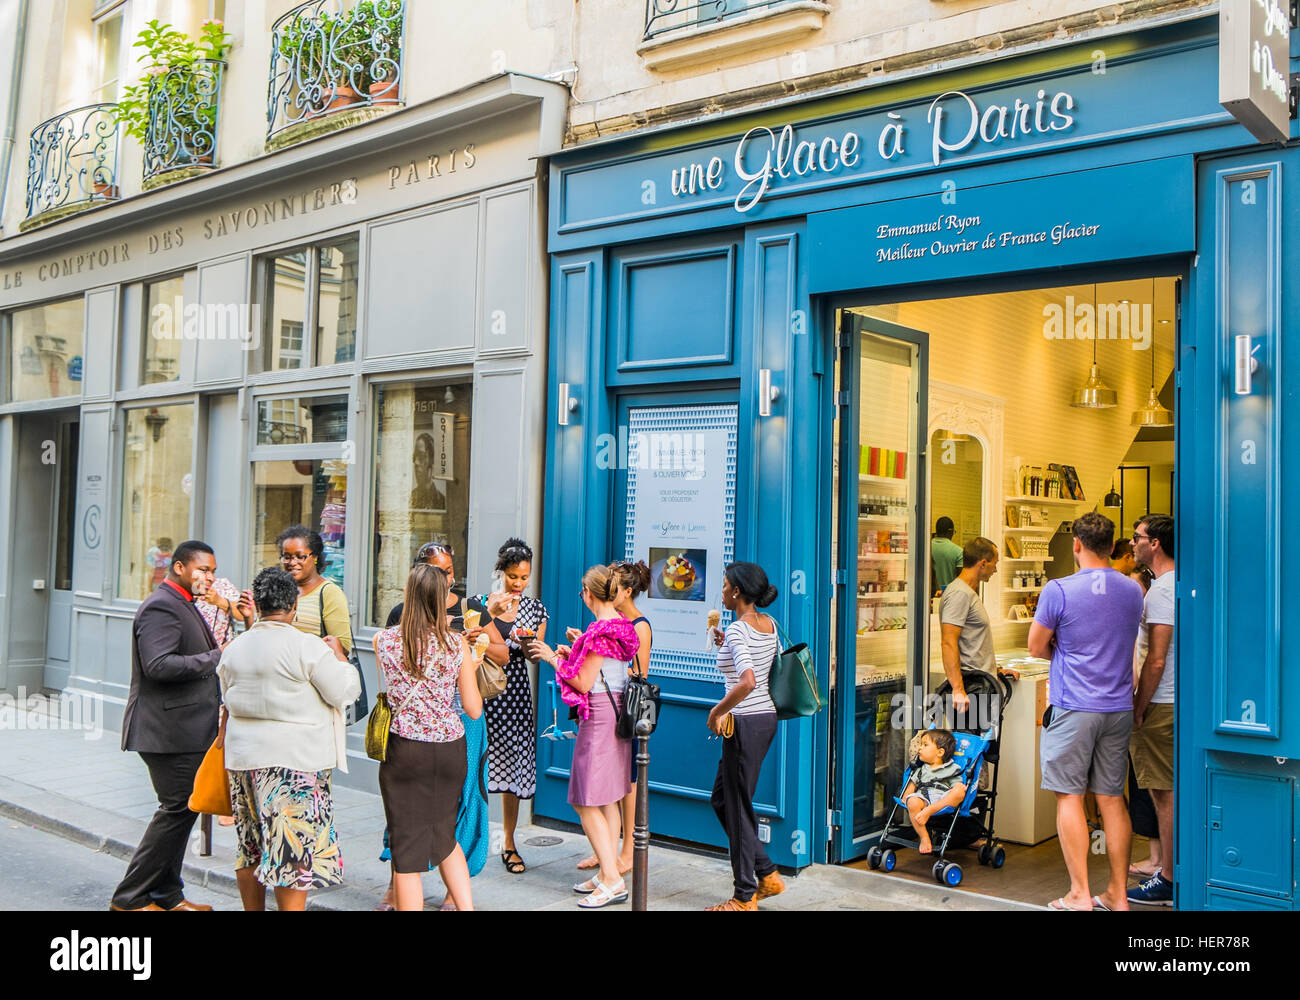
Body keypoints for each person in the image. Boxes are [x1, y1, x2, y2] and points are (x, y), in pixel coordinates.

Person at [218, 568, 360, 912]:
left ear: (260, 604)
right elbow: (343, 691)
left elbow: (226, 696)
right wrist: (343, 662)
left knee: (250, 845)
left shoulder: (235, 648)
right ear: (294, 605)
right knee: (290, 855)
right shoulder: (306, 647)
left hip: (243, 762)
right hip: (292, 765)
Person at [1028, 512, 1144, 912]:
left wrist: (1063, 650)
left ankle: (1079, 894)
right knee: (1112, 799)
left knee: (1070, 797)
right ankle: (1118, 893)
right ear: (1113, 547)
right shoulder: (1133, 591)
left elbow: (1035, 646)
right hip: (1118, 705)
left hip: (1075, 705)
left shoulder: (1058, 590)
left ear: (1076, 545)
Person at [110, 540, 225, 911]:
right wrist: (216, 657)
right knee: (175, 810)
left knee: (182, 810)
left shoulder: (183, 604)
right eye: (203, 570)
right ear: (179, 567)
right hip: (168, 730)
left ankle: (167, 895)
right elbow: (158, 665)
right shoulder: (162, 606)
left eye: (212, 570)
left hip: (183, 728)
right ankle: (129, 898)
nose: (209, 577)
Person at [376, 541, 490, 911]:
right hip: (448, 749)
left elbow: (389, 694)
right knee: (445, 835)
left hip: (404, 749)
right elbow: (473, 709)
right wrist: (470, 667)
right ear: (441, 598)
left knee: (406, 848)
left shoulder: (383, 641)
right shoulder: (455, 645)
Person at [529, 564, 639, 908]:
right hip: (619, 713)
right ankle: (608, 871)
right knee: (606, 798)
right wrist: (573, 652)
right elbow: (606, 669)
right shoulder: (621, 626)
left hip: (600, 718)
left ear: (590, 594)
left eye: (582, 591)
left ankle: (611, 879)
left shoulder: (600, 631)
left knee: (584, 798)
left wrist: (550, 656)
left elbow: (583, 682)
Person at [704, 561, 784, 911]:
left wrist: (717, 710)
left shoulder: (739, 629)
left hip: (744, 722)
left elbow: (748, 680)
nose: (721, 591)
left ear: (736, 592)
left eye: (724, 586)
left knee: (737, 807)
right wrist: (727, 644)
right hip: (765, 719)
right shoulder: (768, 624)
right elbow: (768, 667)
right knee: (724, 800)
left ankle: (743, 896)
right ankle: (766, 873)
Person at [474, 538, 548, 875]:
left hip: (515, 692)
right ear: (500, 571)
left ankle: (509, 841)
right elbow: (468, 641)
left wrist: (531, 642)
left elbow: (535, 659)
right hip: (480, 689)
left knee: (512, 766)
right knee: (475, 763)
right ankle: (469, 837)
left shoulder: (535, 609)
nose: (518, 584)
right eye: (513, 577)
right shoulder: (479, 604)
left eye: (524, 578)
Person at [576, 559, 653, 877]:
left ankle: (626, 853)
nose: (609, 591)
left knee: (628, 783)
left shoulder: (639, 626)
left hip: (628, 709)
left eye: (614, 586)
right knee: (610, 785)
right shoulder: (615, 622)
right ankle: (605, 850)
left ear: (628, 591)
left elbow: (639, 675)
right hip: (611, 704)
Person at [1127, 513, 1176, 906]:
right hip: (1173, 700)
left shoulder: (1161, 591)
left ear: (1155, 543)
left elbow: (1155, 660)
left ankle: (1169, 879)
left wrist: (1139, 707)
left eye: (1137, 537)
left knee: (1164, 794)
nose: (1132, 543)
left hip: (1160, 703)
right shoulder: (1173, 585)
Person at [937, 536, 1016, 717]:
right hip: (971, 689)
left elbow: (972, 641)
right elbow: (948, 642)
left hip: (981, 684)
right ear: (982, 563)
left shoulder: (968, 593)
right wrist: (957, 689)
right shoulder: (959, 594)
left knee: (987, 744)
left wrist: (995, 669)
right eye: (994, 564)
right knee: (972, 744)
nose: (995, 570)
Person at [1124, 565, 1161, 879]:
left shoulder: (1147, 622)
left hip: (1145, 706)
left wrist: (1137, 706)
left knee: (1148, 783)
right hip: (1141, 704)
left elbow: (1146, 663)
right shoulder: (1142, 620)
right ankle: (1158, 858)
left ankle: (1157, 860)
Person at [902, 729, 968, 854]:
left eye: (925, 745)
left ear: (940, 752)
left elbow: (956, 789)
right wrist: (907, 797)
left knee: (959, 790)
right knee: (912, 801)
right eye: (920, 744)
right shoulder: (920, 769)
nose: (920, 748)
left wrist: (957, 790)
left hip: (943, 799)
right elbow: (911, 785)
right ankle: (924, 837)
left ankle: (930, 811)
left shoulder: (953, 768)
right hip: (924, 798)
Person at [410, 432, 448, 512]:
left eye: (421, 456)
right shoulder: (410, 498)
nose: (416, 462)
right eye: (414, 457)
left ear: (432, 461)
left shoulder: (442, 502)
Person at [930, 517, 963, 592]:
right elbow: (961, 581)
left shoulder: (926, 548)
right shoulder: (958, 551)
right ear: (950, 531)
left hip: (928, 596)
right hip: (950, 596)